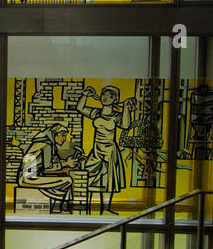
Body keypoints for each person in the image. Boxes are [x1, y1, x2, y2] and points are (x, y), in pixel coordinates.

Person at [77, 85, 137, 214]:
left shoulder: (116, 116)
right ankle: (91, 209)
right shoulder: (96, 113)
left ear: (115, 99)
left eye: (111, 96)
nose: (106, 98)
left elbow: (126, 125)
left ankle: (105, 209)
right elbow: (80, 108)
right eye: (104, 94)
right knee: (92, 179)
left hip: (109, 151)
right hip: (96, 150)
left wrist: (126, 107)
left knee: (108, 181)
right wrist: (85, 95)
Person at [18, 122, 78, 212]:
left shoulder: (46, 143)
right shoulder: (46, 145)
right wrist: (66, 163)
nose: (64, 139)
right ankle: (63, 208)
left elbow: (53, 162)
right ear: (55, 135)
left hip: (32, 177)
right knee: (68, 180)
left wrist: (66, 162)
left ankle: (59, 208)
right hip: (29, 178)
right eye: (62, 135)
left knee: (61, 181)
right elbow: (49, 167)